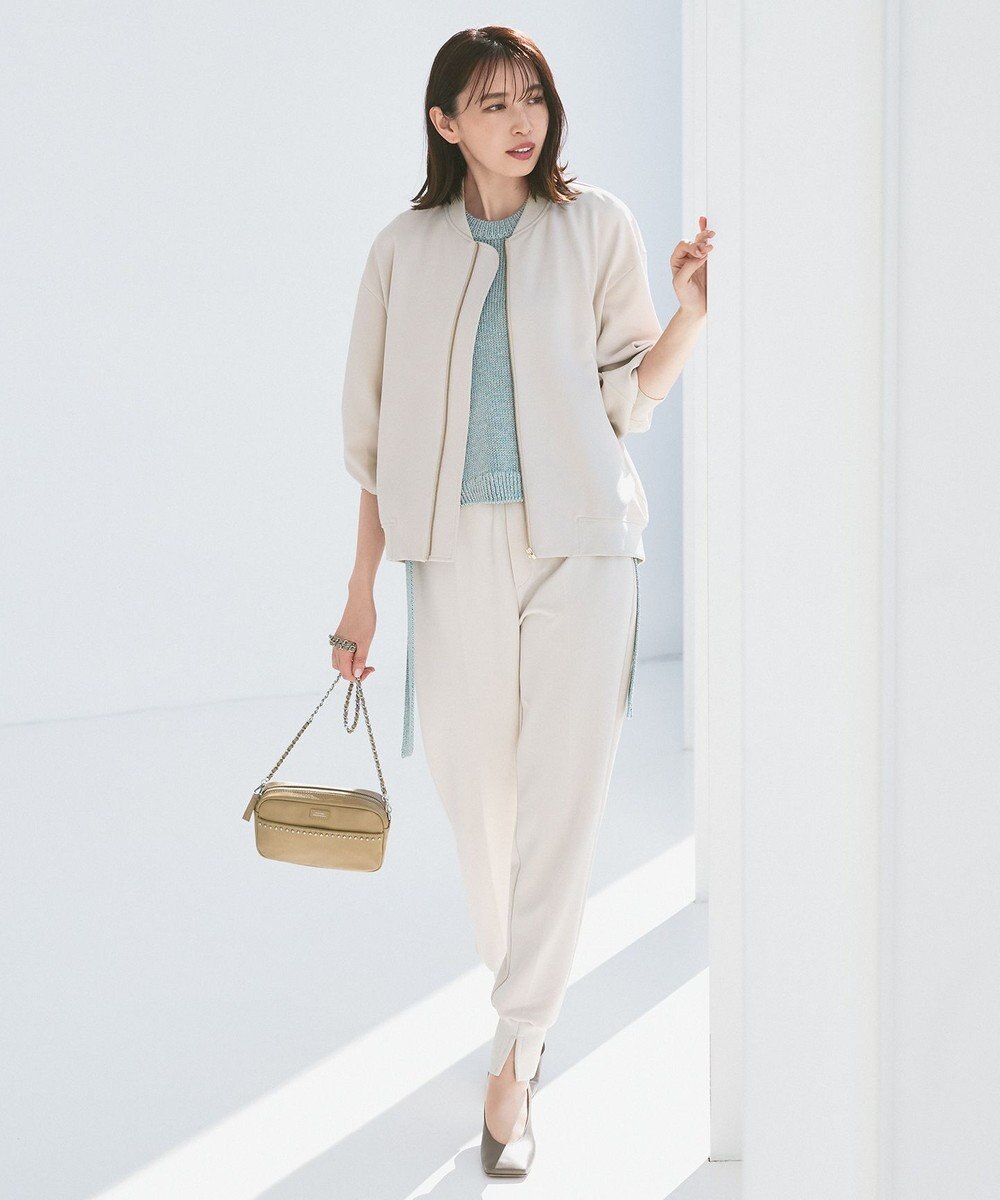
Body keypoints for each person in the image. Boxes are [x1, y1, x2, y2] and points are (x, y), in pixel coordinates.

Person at [330, 25, 713, 1177]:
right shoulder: (402, 251)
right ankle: (525, 1002)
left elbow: (628, 395)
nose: (520, 120)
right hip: (451, 556)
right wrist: (360, 593)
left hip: (582, 547)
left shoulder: (595, 227)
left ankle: (516, 1055)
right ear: (445, 123)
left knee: (562, 798)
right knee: (478, 800)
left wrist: (689, 314)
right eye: (491, 103)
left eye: (532, 96)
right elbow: (371, 448)